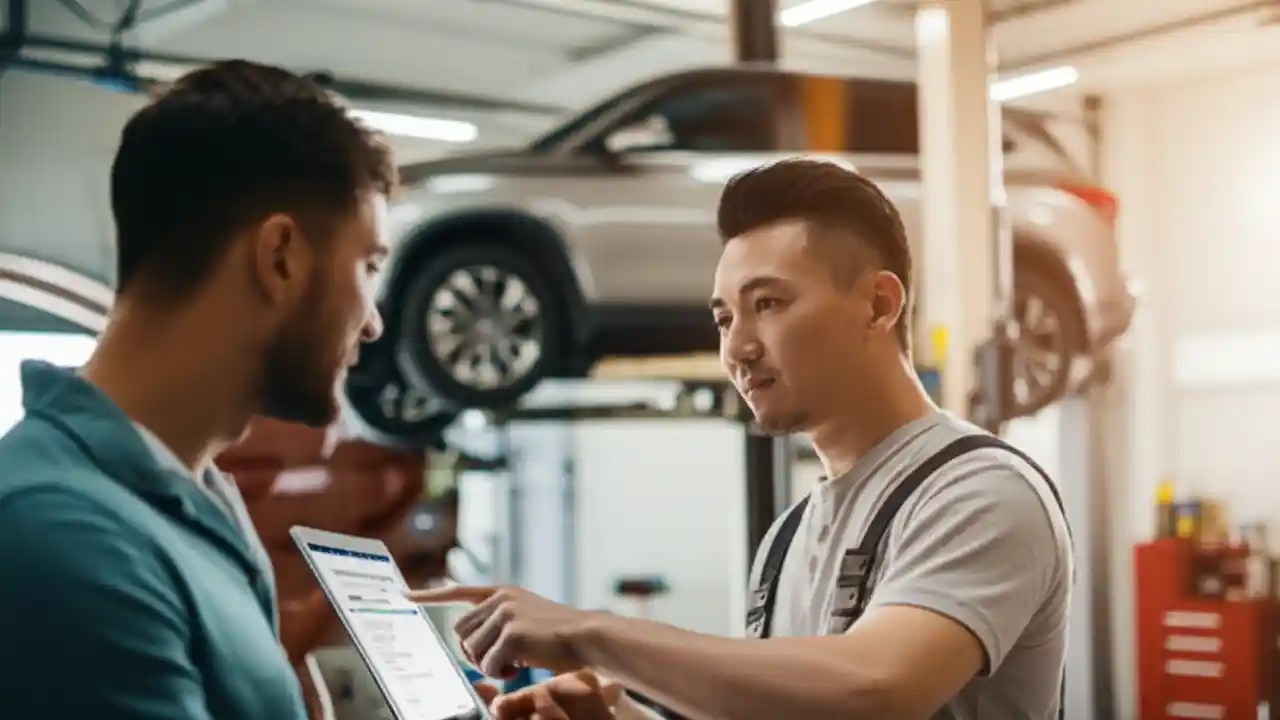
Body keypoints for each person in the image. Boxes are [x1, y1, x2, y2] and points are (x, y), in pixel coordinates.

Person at [416, 159, 1075, 720]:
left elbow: (875, 689)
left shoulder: (981, 492)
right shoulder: (787, 540)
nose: (738, 348)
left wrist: (590, 634)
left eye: (769, 303)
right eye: (725, 317)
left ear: (878, 304)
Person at [0, 60, 396, 718]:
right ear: (280, 258)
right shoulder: (62, 534)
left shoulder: (197, 499)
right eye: (369, 265)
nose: (374, 321)